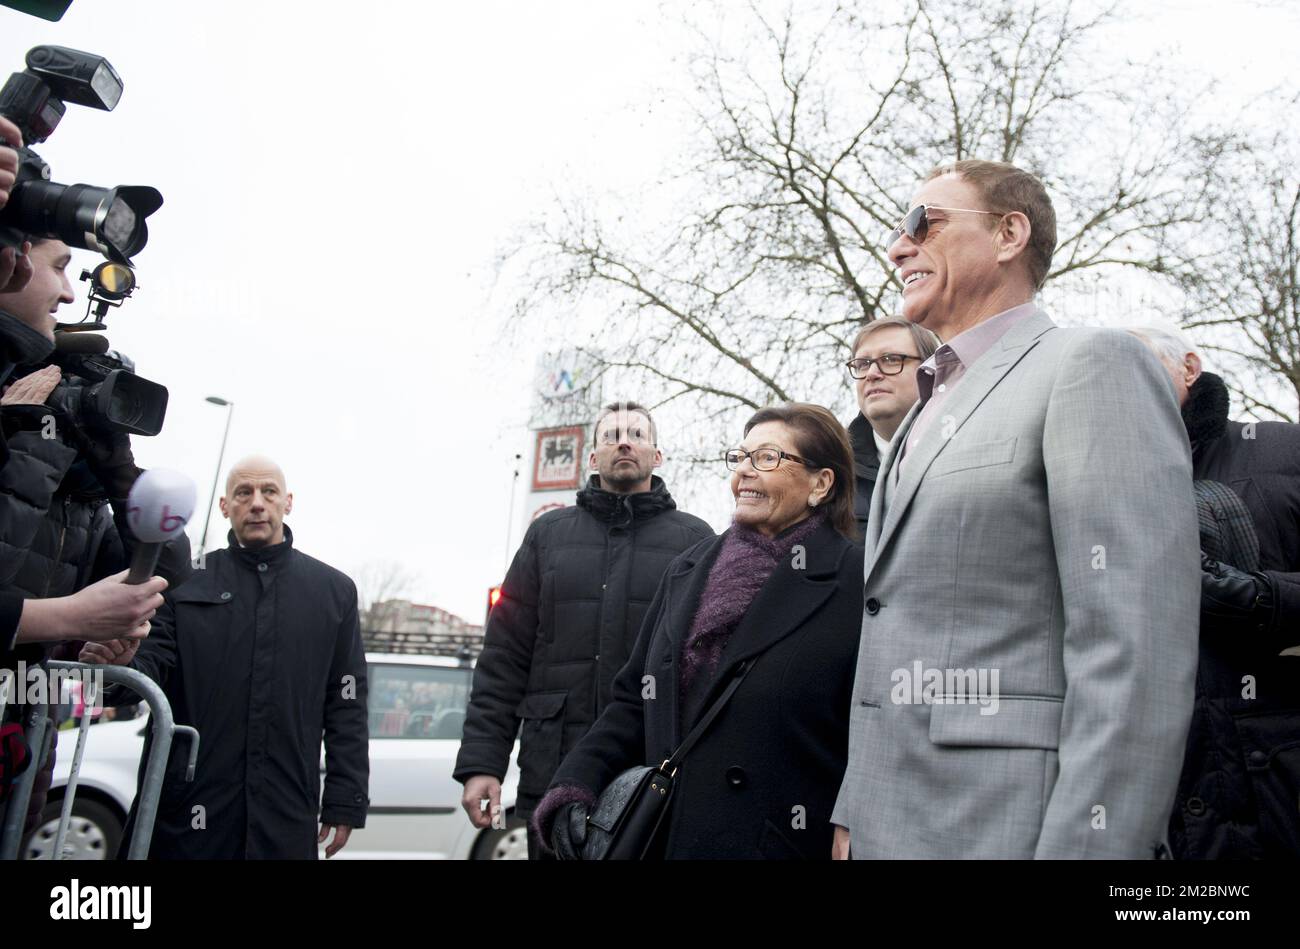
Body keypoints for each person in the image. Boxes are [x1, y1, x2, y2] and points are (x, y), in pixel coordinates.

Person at [831, 160, 1200, 859]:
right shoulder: (919, 412)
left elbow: (1134, 644)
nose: (898, 246)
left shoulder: (1094, 364)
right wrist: (858, 804)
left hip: (1011, 828)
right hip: (891, 823)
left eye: (923, 222)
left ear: (1007, 234)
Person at [534, 403, 863, 859]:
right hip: (669, 836)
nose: (745, 473)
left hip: (781, 842)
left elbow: (874, 722)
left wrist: (856, 814)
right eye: (740, 458)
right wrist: (575, 783)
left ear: (821, 483)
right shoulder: (689, 569)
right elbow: (634, 699)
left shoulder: (855, 580)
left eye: (767, 459)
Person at [454, 401, 714, 859]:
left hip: (649, 774)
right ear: (592, 458)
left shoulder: (695, 541)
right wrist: (482, 763)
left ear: (658, 455)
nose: (624, 441)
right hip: (551, 769)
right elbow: (503, 659)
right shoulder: (547, 536)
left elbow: (710, 667)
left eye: (636, 432)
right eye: (611, 434)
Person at [81, 456, 369, 859]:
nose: (256, 503)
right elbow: (147, 673)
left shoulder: (333, 591)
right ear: (224, 506)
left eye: (268, 492)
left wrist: (346, 797)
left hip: (286, 808)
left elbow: (347, 704)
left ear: (287, 502)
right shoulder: (185, 581)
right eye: (243, 493)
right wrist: (116, 671)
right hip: (187, 809)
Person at [1128, 325, 1300, 858]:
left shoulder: (1283, 450)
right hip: (1152, 794)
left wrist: (1257, 600)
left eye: (1140, 363)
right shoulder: (1082, 482)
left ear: (1189, 368)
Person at [844, 318, 939, 537]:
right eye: (862, 364)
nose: (872, 374)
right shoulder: (832, 474)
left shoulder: (967, 451)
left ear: (931, 371)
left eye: (891, 359)